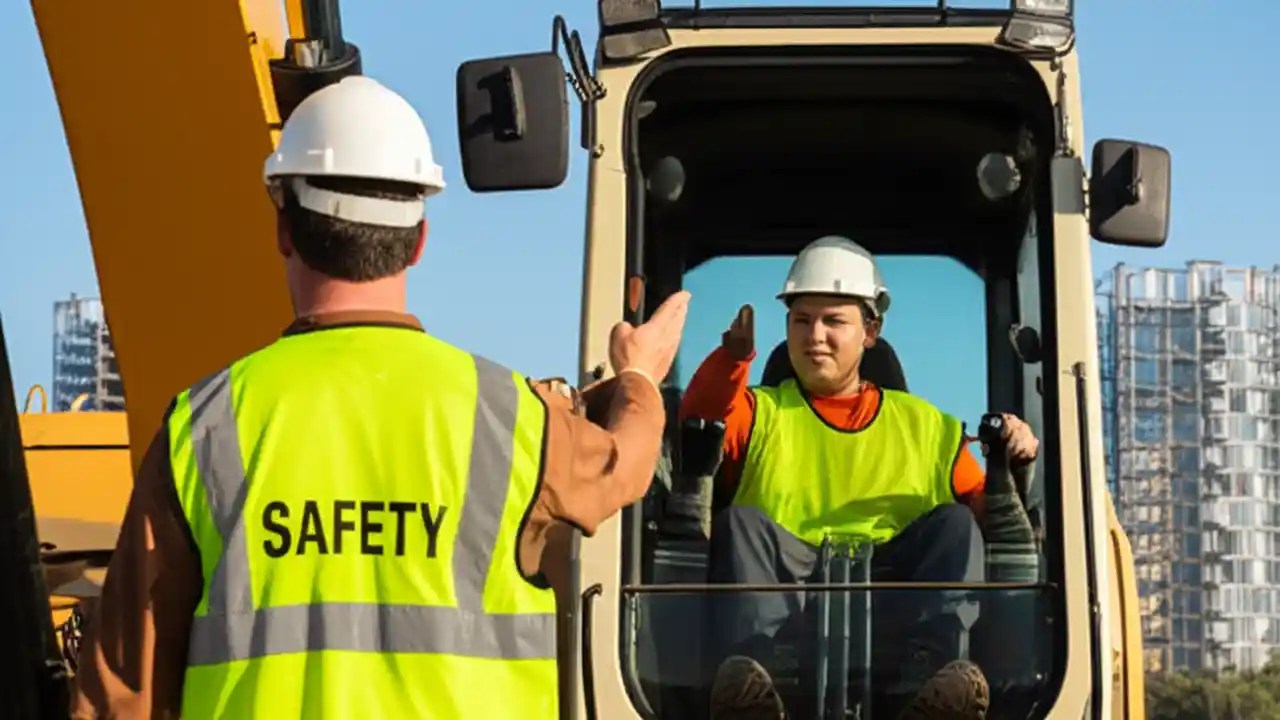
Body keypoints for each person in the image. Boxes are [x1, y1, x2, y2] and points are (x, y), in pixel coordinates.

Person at [68, 75, 690, 720]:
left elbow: (121, 692)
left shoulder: (203, 426)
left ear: (285, 230)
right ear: (418, 242)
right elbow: (627, 461)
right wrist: (638, 375)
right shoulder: (512, 416)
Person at [680, 235, 1039, 720]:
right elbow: (697, 424)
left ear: (871, 331)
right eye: (801, 320)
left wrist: (1015, 461)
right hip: (786, 615)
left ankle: (933, 690)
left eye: (834, 322)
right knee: (742, 523)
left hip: (896, 612)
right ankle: (755, 693)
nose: (815, 336)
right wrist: (731, 359)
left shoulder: (929, 427)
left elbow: (995, 525)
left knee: (955, 525)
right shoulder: (758, 410)